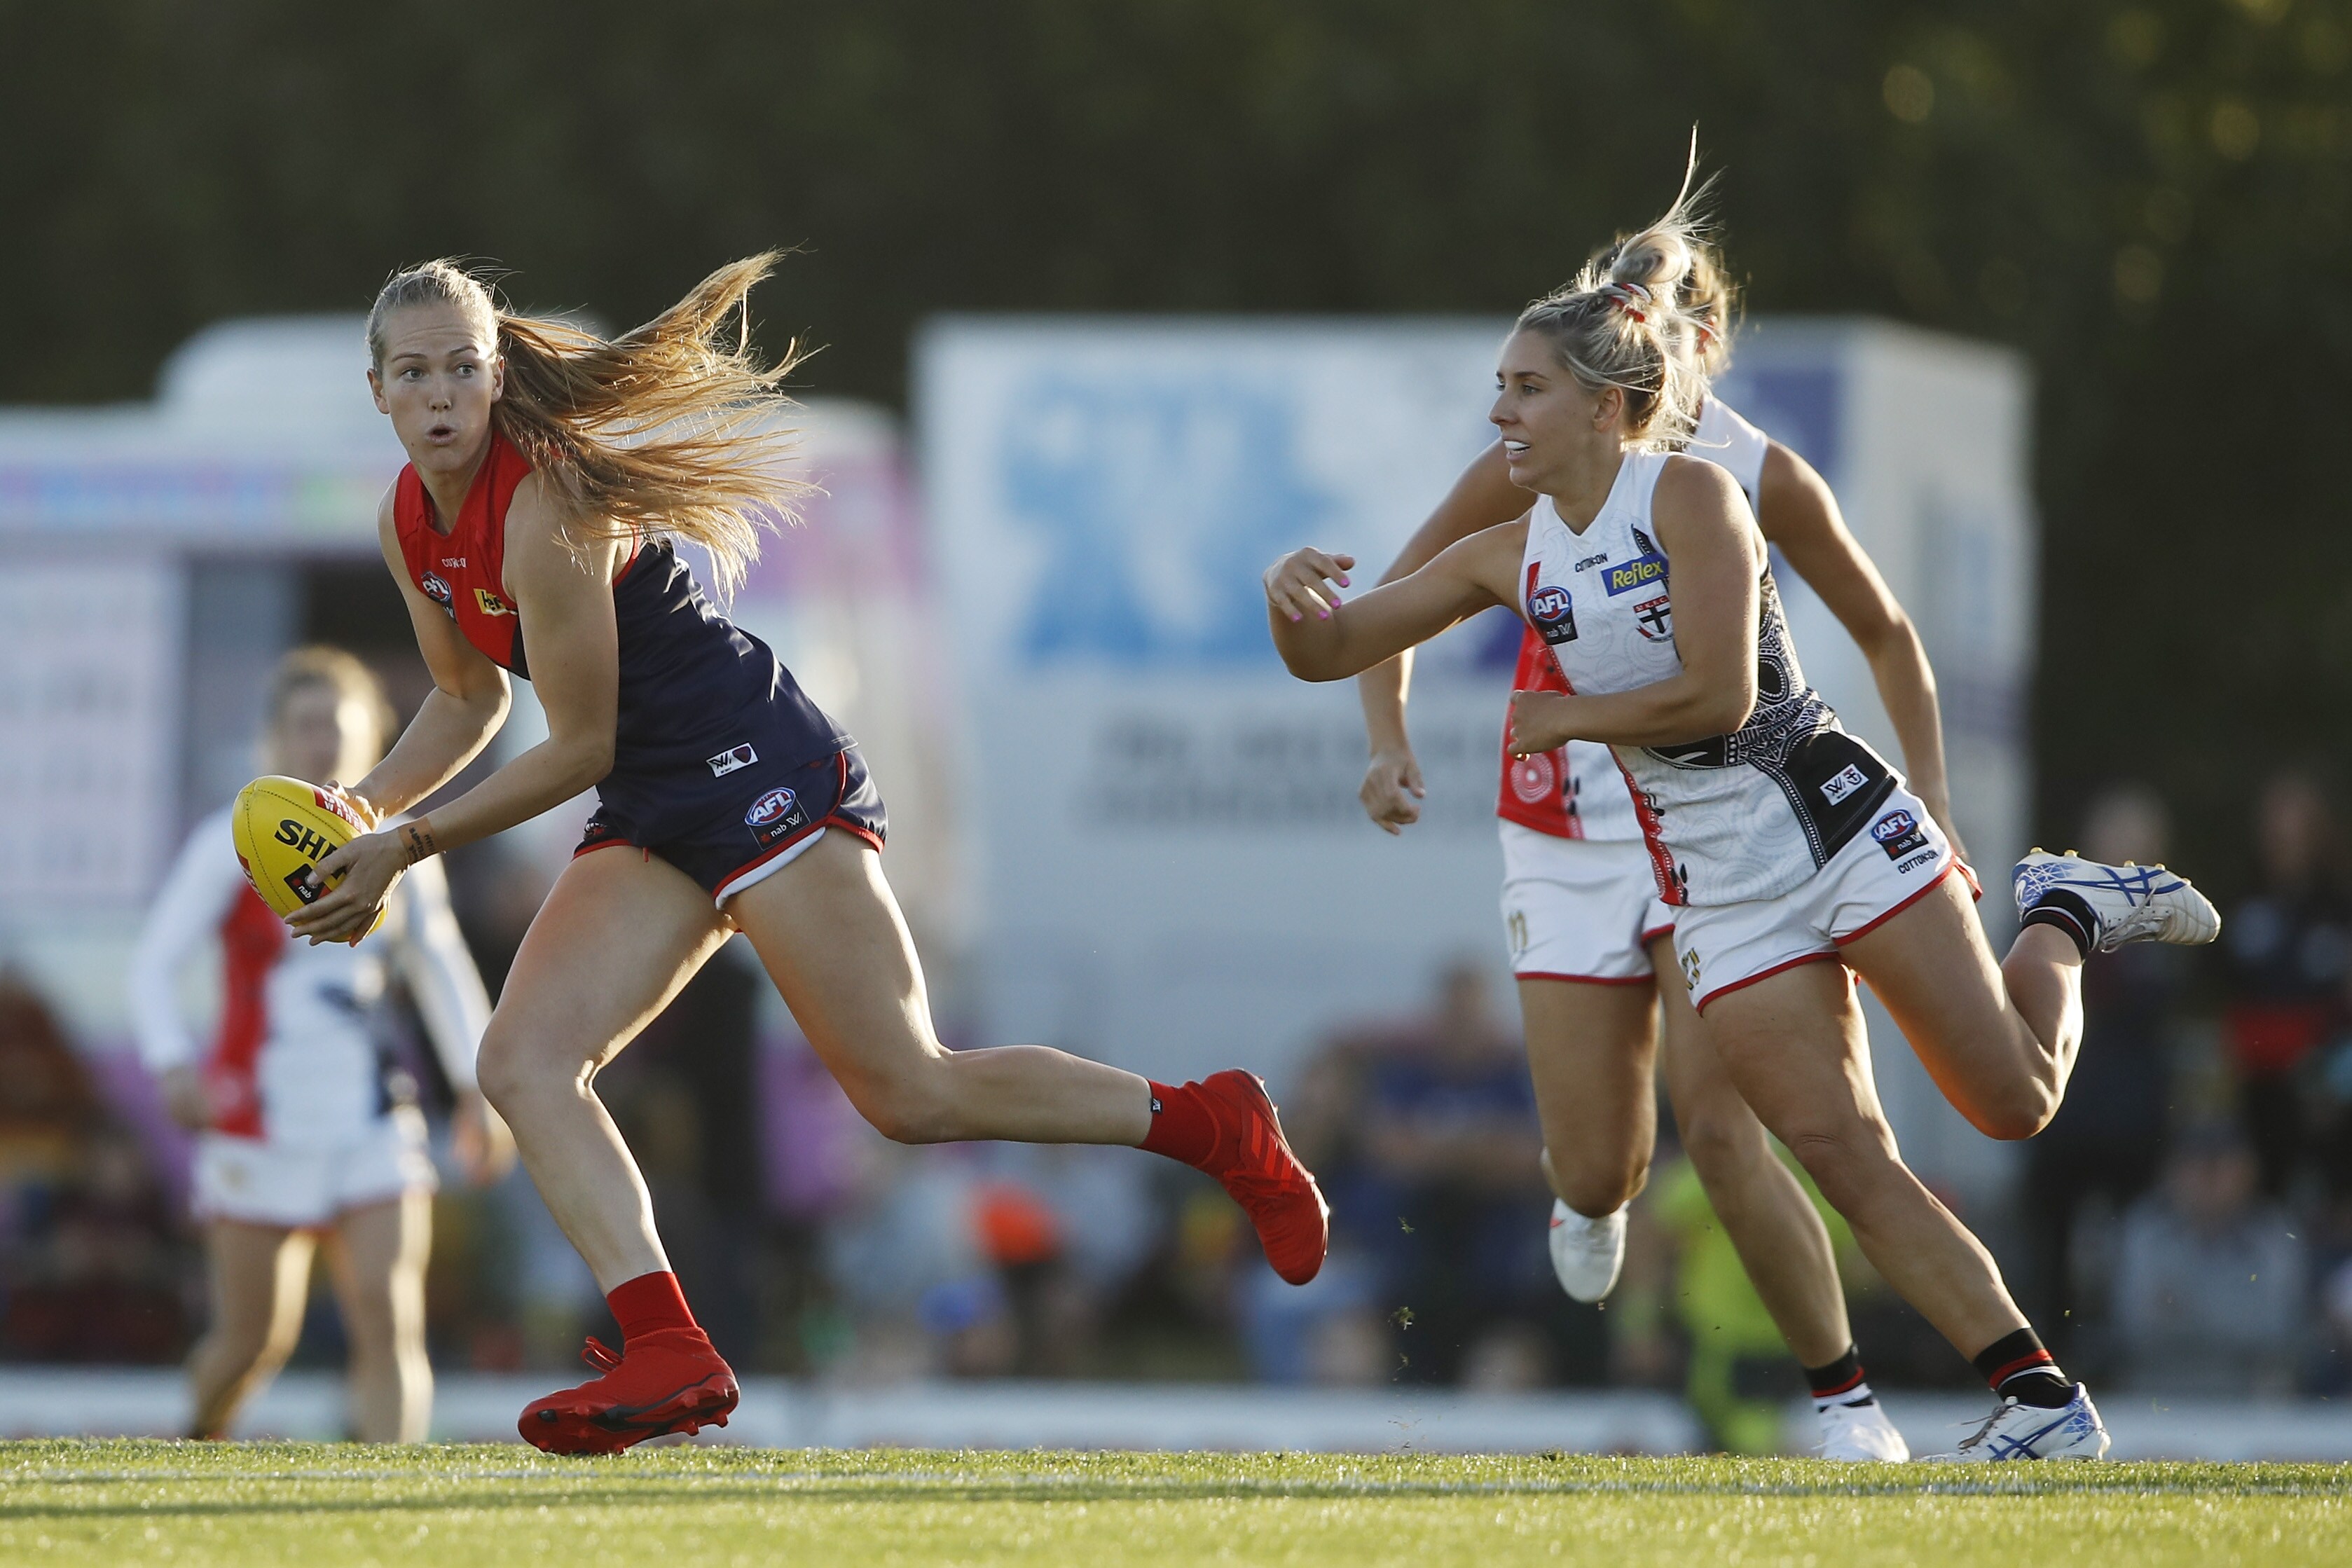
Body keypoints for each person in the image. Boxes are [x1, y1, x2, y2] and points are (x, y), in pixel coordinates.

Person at [290, 255, 1327, 1454]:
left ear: (497, 372)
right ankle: (669, 1347)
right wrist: (355, 814)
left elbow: (576, 744)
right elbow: (466, 701)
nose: (440, 392)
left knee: (911, 1091)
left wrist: (406, 842)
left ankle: (1210, 1122)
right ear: (376, 390)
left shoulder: (549, 501)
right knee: (523, 1062)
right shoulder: (404, 518)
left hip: (757, 765)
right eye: (413, 372)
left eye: (463, 367)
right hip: (657, 802)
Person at [1263, 163, 2220, 1460]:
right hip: (1718, 885)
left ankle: (2061, 910)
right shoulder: (1506, 542)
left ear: (1608, 403)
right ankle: (2040, 1398)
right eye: (1499, 386)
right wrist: (1289, 599)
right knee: (1830, 1144)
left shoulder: (1704, 493)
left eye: (1523, 388)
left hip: (1824, 820)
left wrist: (1569, 718)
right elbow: (1335, 647)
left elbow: (1718, 693)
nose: (1497, 410)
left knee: (2009, 1100)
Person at [1353, 236, 1938, 1459]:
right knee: (1595, 1163)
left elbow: (1883, 629)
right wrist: (1388, 739)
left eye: (1663, 325)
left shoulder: (1750, 474)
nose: (1642, 347)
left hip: (1719, 840)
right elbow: (1387, 605)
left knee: (1722, 1132)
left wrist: (1926, 803)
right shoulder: (1538, 453)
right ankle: (1591, 1193)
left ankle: (1843, 1404)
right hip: (1560, 833)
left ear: (1694, 350)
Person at [130, 647, 511, 1442]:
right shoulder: (231, 845)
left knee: (388, 1316)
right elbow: (154, 963)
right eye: (306, 728)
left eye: (340, 729)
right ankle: (193, 1449)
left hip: (372, 1118)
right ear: (276, 741)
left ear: (375, 739)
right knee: (252, 1342)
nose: (324, 746)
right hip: (257, 1121)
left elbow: (440, 964)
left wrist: (481, 1086)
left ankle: (387, 1510)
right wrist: (172, 1060)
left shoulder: (402, 844)